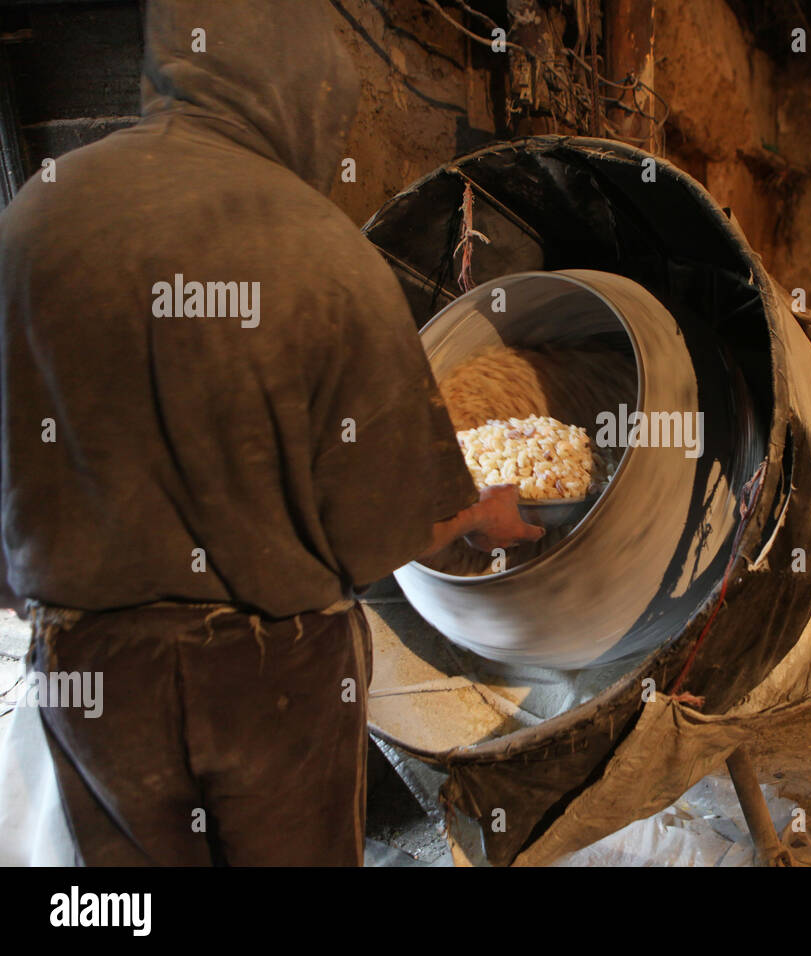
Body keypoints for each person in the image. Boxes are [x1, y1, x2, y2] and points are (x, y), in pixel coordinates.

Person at [0, 0, 541, 865]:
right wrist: (483, 515)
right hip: (273, 679)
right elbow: (387, 530)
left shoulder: (34, 221)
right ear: (305, 93)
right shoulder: (327, 255)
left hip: (92, 668)